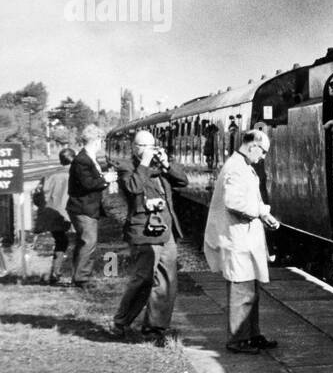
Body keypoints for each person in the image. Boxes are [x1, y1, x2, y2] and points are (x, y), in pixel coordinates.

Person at [204, 129, 281, 353]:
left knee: (251, 290)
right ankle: (237, 340)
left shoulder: (243, 166)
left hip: (244, 239)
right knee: (241, 290)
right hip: (236, 240)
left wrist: (264, 215)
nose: (264, 157)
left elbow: (248, 200)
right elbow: (234, 203)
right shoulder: (236, 169)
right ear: (252, 146)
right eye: (263, 151)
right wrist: (258, 213)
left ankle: (252, 335)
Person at [111, 130, 188, 345]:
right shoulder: (127, 167)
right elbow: (133, 187)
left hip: (167, 230)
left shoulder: (159, 166)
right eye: (143, 146)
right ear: (134, 148)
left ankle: (154, 329)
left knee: (167, 280)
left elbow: (183, 181)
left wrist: (166, 165)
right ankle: (120, 321)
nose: (148, 150)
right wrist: (144, 163)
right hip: (144, 230)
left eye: (151, 146)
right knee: (143, 279)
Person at [66, 124, 116, 287]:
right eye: (101, 140)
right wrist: (105, 180)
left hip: (86, 206)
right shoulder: (82, 160)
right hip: (83, 207)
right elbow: (88, 184)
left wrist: (104, 178)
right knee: (89, 242)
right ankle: (81, 278)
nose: (101, 144)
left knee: (84, 242)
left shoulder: (87, 157)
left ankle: (78, 276)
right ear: (96, 141)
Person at [33, 148, 77, 283]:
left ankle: (55, 273)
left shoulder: (48, 176)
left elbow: (36, 197)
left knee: (61, 241)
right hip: (70, 215)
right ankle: (76, 274)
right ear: (74, 159)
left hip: (51, 215)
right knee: (79, 243)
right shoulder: (76, 175)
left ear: (60, 160)